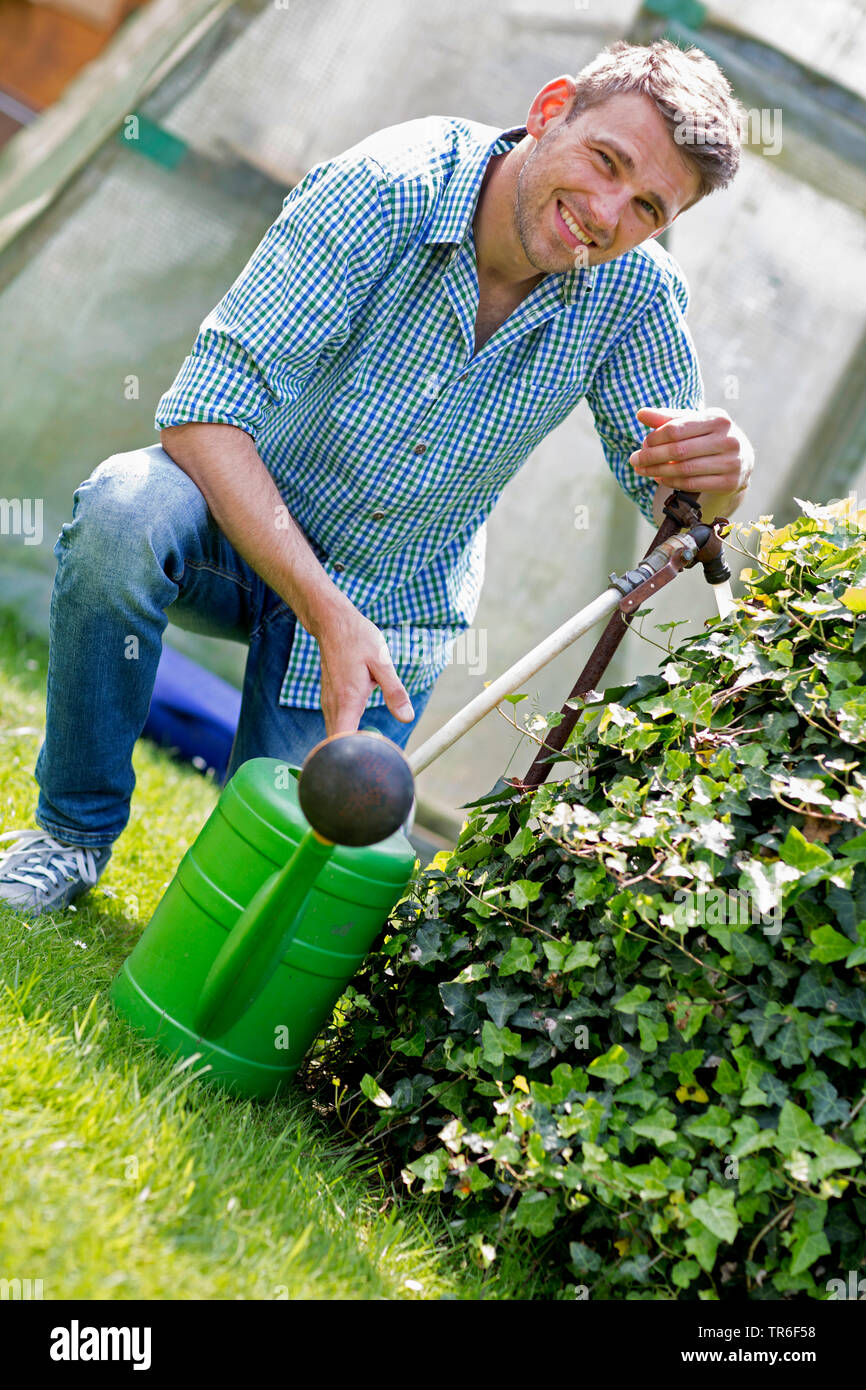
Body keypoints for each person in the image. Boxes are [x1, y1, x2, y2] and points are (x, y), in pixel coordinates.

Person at [0, 39, 754, 915]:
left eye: (647, 206)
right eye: (605, 160)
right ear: (551, 110)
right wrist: (327, 613)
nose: (605, 211)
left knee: (263, 905)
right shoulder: (392, 184)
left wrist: (721, 476)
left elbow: (678, 506)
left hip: (396, 602)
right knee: (124, 515)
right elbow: (202, 417)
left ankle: (226, 886)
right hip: (234, 527)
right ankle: (71, 836)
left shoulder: (636, 294)